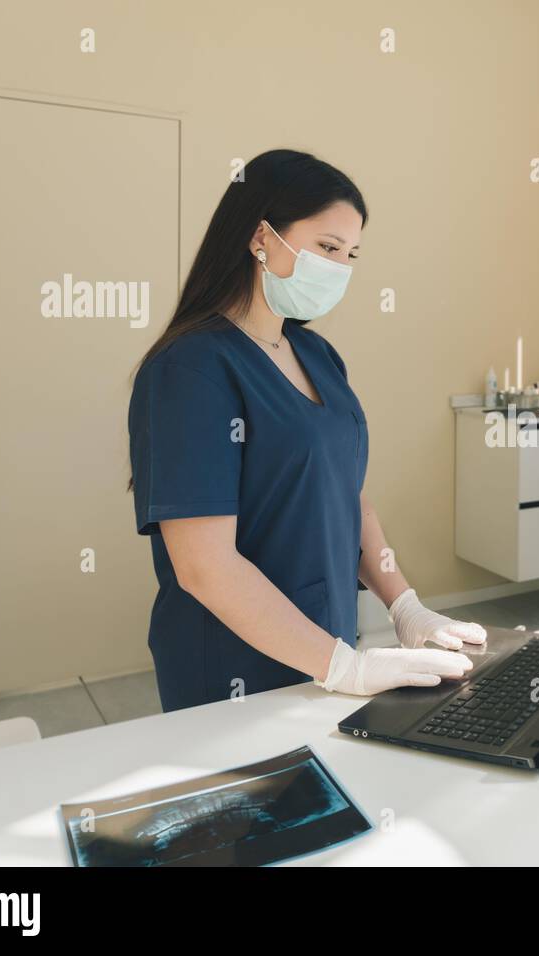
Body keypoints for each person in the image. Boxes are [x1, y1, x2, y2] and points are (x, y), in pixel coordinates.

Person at [128, 149, 486, 712]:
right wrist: (344, 666)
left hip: (324, 646)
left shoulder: (317, 355)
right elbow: (204, 566)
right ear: (259, 237)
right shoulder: (190, 369)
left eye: (350, 254)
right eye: (326, 247)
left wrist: (404, 606)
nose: (339, 267)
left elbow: (351, 497)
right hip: (231, 667)